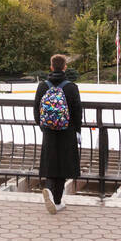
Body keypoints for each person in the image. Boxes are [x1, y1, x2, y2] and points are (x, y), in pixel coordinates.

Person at [34, 54, 82, 214]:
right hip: (66, 131)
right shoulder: (71, 87)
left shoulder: (42, 86)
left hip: (48, 131)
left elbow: (36, 111)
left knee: (50, 162)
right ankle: (58, 201)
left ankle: (49, 189)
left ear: (51, 67)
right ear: (65, 67)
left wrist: (44, 127)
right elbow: (77, 111)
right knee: (63, 166)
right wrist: (77, 129)